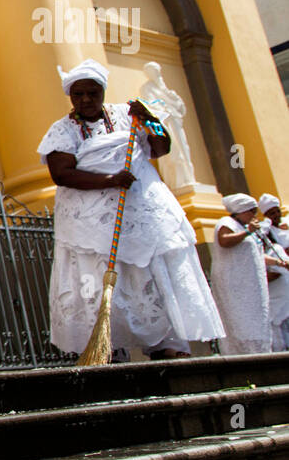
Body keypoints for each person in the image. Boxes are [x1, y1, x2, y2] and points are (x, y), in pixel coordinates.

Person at [38, 58, 223, 360]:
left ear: (102, 91)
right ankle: (109, 349)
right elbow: (61, 174)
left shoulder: (128, 115)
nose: (86, 99)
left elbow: (160, 148)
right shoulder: (62, 130)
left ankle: (167, 345)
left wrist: (150, 118)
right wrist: (109, 179)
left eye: (92, 93)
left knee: (149, 275)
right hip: (91, 224)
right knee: (102, 281)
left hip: (141, 214)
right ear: (71, 96)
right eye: (78, 94)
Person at [211, 193, 275, 355]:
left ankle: (260, 353)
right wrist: (248, 231)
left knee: (257, 322)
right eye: (251, 211)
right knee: (241, 323)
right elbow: (224, 240)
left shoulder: (246, 228)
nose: (254, 215)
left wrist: (279, 262)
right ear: (240, 210)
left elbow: (255, 255)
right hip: (235, 286)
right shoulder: (227, 223)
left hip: (251, 286)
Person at [258, 193, 289, 349]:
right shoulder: (268, 234)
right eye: (271, 213)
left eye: (277, 211)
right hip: (280, 284)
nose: (276, 215)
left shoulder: (286, 227)